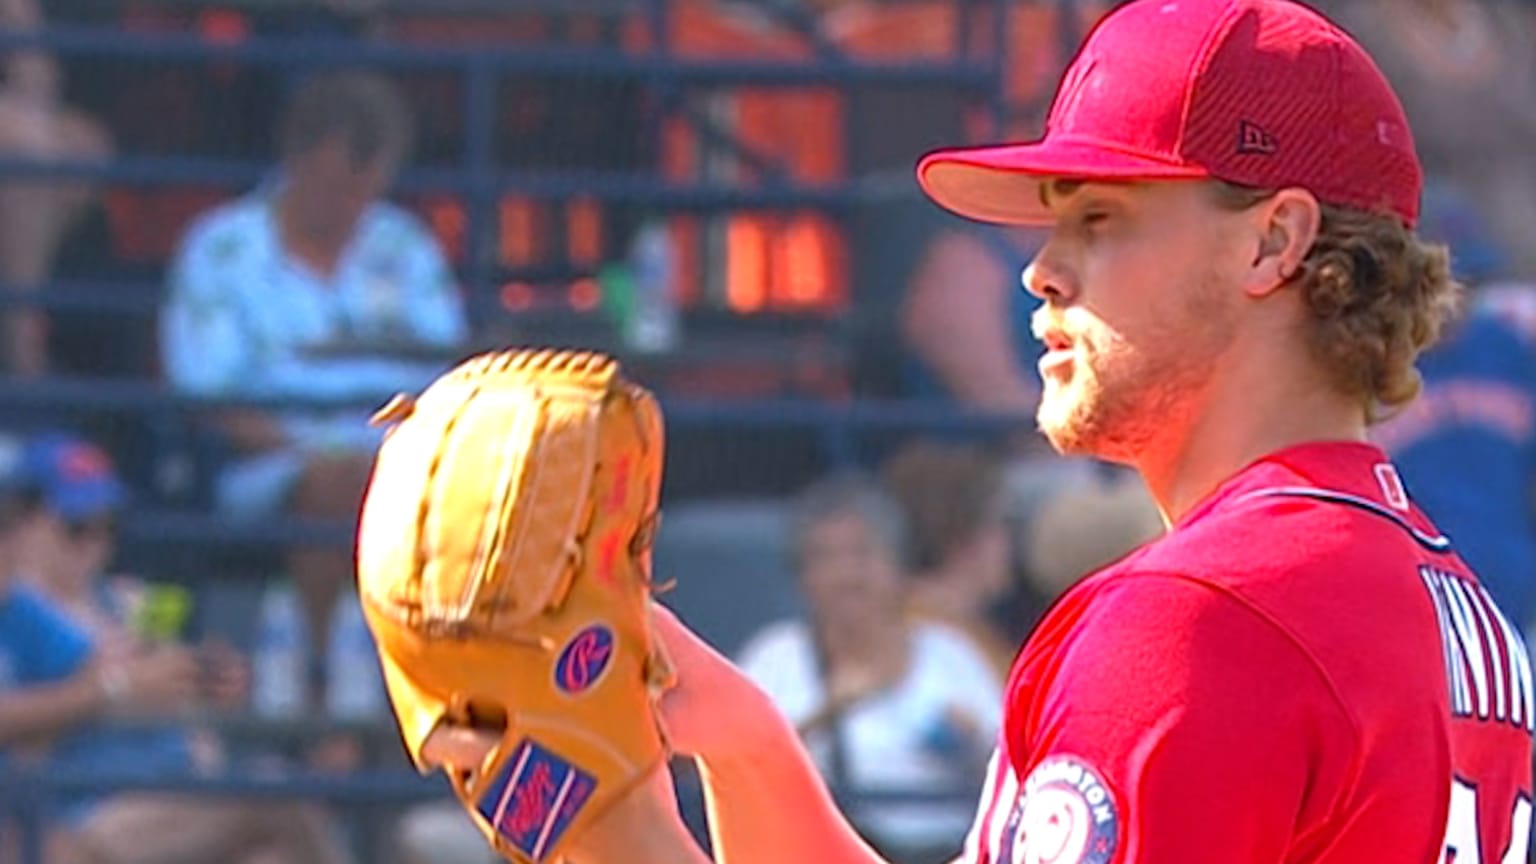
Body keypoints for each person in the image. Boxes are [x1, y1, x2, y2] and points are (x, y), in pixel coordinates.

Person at [389, 2, 1534, 863]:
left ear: (1272, 243)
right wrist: (745, 748)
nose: (1041, 269)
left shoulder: (1196, 622)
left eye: (1100, 219)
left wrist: (621, 823)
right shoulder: (1461, 617)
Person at [160, 70, 467, 720]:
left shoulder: (404, 247)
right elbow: (206, 392)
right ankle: (328, 689)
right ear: (294, 158)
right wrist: (314, 451)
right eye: (333, 185)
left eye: (364, 188)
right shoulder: (220, 249)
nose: (348, 205)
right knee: (335, 483)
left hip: (402, 458)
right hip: (263, 462)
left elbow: (446, 374)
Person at [0, 431, 355, 864]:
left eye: (107, 527)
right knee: (272, 788)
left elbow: (177, 715)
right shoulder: (18, 613)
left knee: (269, 854)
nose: (94, 546)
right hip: (87, 804)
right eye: (76, 528)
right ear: (22, 526)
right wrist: (116, 687)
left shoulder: (121, 601)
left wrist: (204, 684)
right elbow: (46, 726)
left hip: (173, 786)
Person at [734, 471, 1003, 858]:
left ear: (898, 567)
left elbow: (1011, 771)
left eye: (863, 554)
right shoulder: (776, 655)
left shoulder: (950, 651)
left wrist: (972, 741)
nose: (848, 575)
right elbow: (731, 772)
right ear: (802, 578)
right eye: (826, 558)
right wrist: (827, 712)